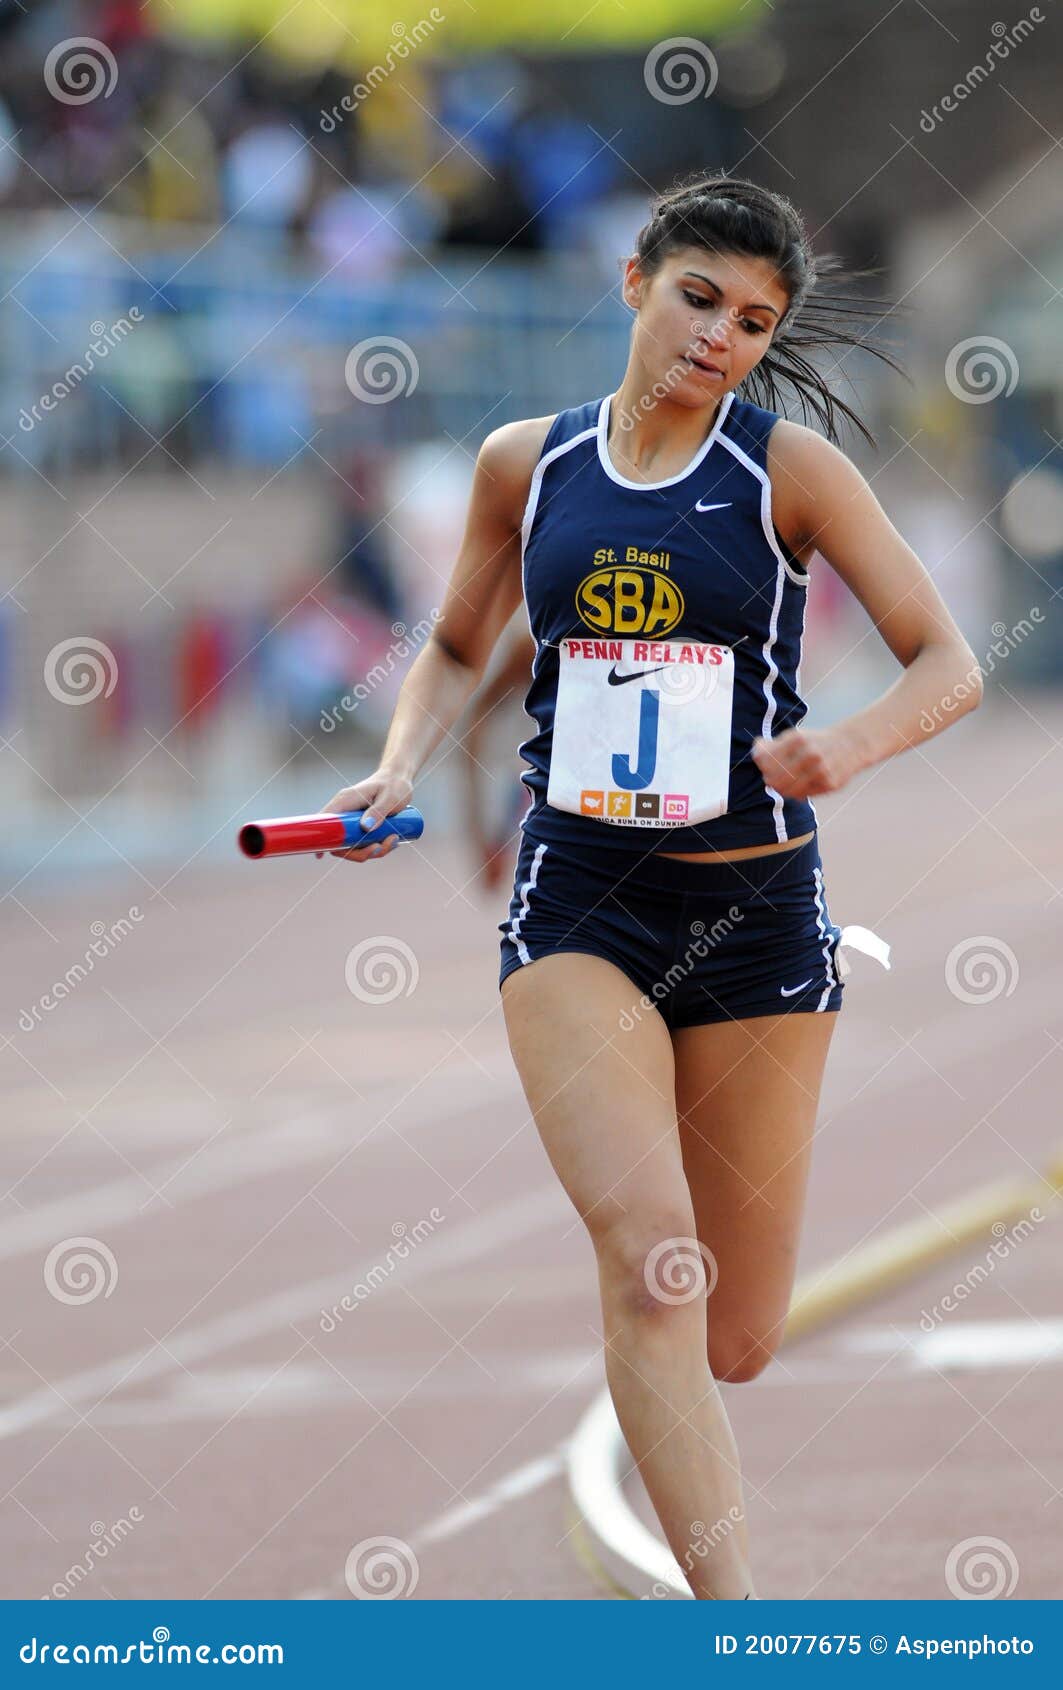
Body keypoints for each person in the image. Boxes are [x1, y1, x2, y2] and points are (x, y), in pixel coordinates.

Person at [317, 174, 982, 1599]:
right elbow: (451, 647)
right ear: (635, 282)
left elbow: (950, 657)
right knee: (648, 1261)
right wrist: (399, 767)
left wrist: (843, 746)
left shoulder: (785, 474)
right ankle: (727, 1629)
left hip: (754, 914)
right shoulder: (526, 465)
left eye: (753, 322)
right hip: (581, 905)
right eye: (699, 299)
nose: (720, 337)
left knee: (735, 1331)